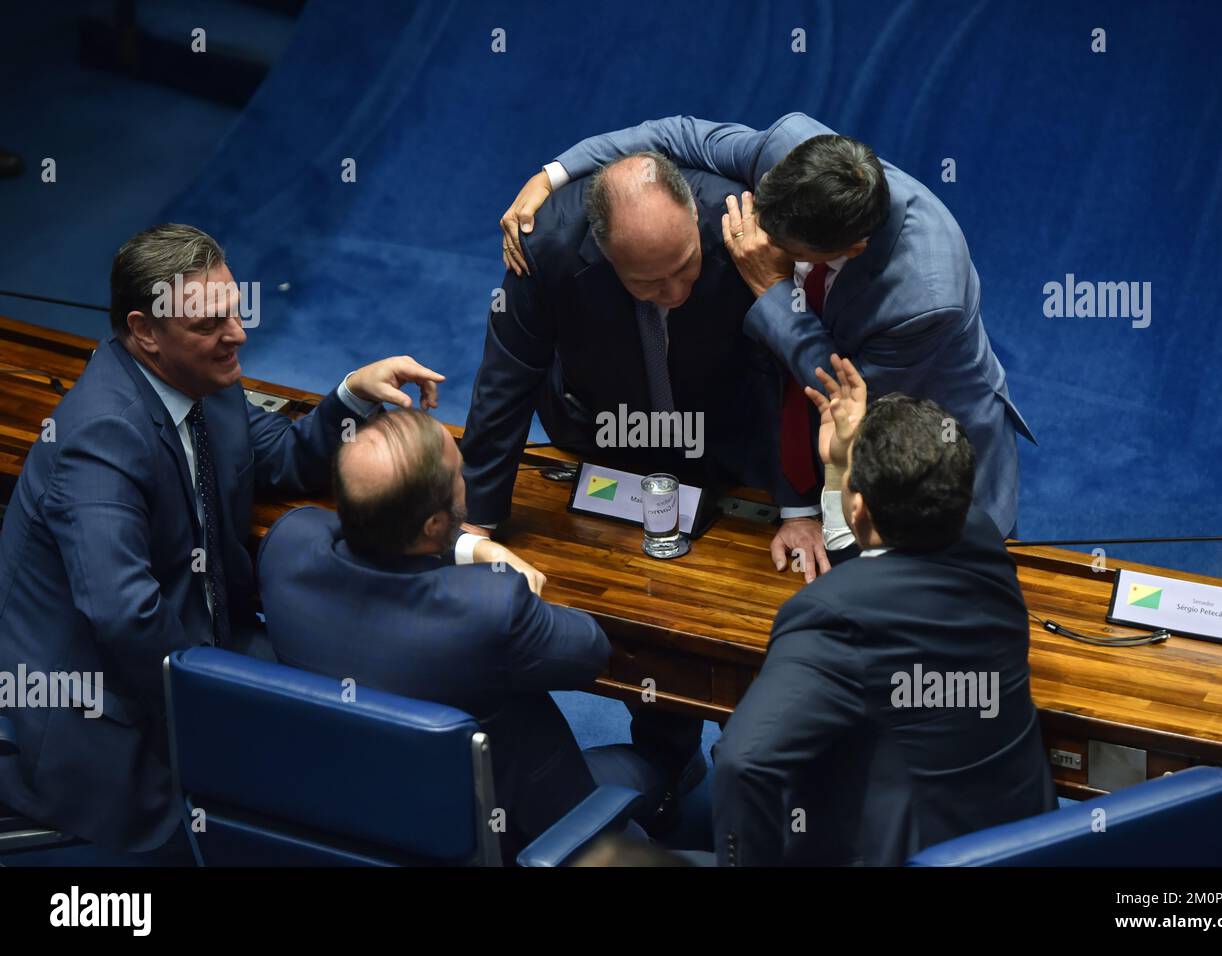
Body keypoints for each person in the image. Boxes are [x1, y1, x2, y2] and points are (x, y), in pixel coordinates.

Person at [0, 223, 444, 859]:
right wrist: (226, 710)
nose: (237, 334)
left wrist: (350, 392)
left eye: (233, 311)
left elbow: (286, 458)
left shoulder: (206, 380)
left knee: (352, 723)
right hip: (107, 715)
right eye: (210, 324)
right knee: (277, 825)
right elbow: (125, 616)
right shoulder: (100, 438)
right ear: (146, 331)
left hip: (202, 637)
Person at [500, 113, 1036, 560]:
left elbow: (849, 402)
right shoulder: (790, 146)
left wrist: (771, 287)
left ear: (846, 249)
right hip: (805, 431)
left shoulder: (925, 297)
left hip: (923, 440)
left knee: (932, 592)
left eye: (780, 244)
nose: (750, 241)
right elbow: (672, 136)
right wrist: (554, 172)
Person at [258, 409, 664, 860]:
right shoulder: (491, 610)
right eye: (459, 473)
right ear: (434, 523)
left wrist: (470, 544)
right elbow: (591, 650)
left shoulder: (287, 547)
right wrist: (520, 593)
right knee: (649, 774)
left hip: (351, 809)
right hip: (512, 827)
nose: (467, 478)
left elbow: (360, 527)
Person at [709, 356, 1055, 865]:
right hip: (1025, 844)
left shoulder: (827, 614)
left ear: (859, 509)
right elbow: (886, 560)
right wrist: (840, 467)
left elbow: (744, 765)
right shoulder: (982, 537)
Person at [465, 150, 830, 582]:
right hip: (597, 425)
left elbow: (781, 371)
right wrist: (475, 521)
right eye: (648, 282)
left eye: (685, 266)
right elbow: (508, 376)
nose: (674, 292)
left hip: (723, 433)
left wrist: (800, 508)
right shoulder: (547, 245)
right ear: (603, 249)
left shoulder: (744, 227)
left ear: (694, 215)